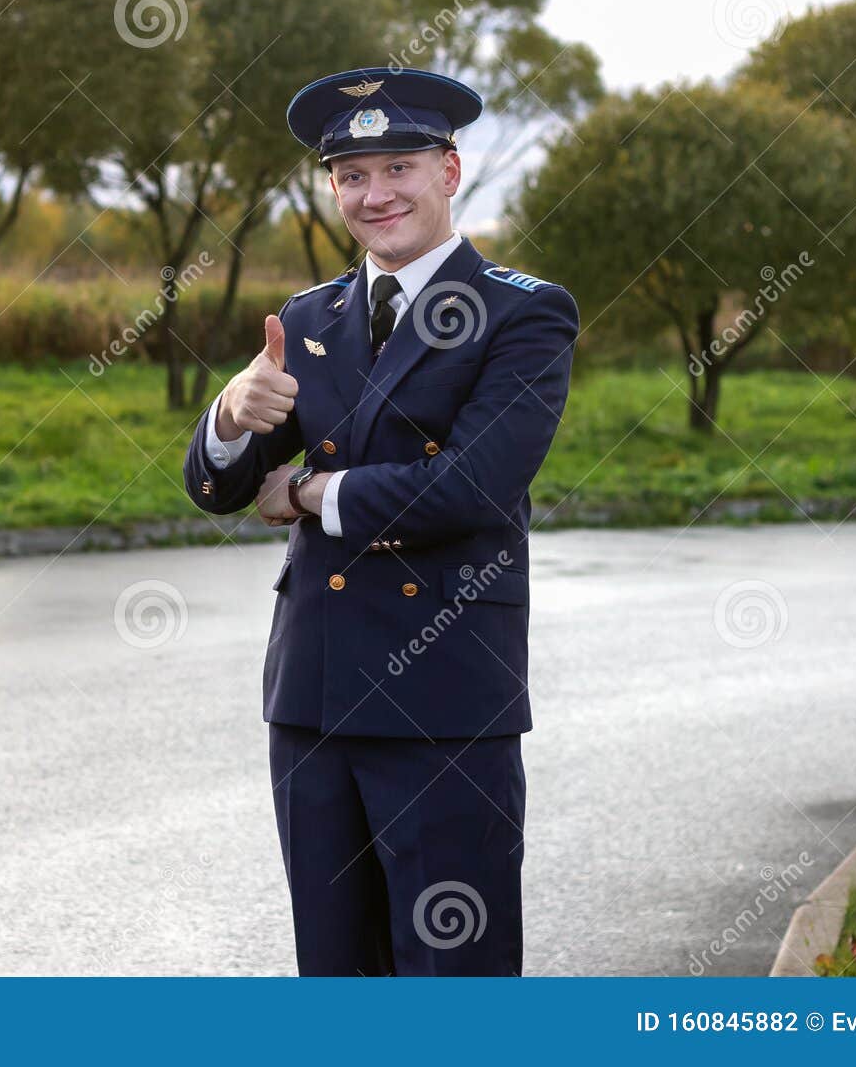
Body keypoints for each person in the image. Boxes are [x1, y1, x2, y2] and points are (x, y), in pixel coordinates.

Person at [182, 66, 580, 975]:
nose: (376, 194)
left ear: (450, 170)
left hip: (444, 700)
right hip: (313, 700)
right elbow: (218, 488)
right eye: (353, 175)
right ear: (333, 188)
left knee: (454, 980)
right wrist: (230, 415)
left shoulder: (523, 311)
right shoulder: (308, 317)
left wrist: (310, 494)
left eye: (399, 166)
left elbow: (470, 489)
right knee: (335, 974)